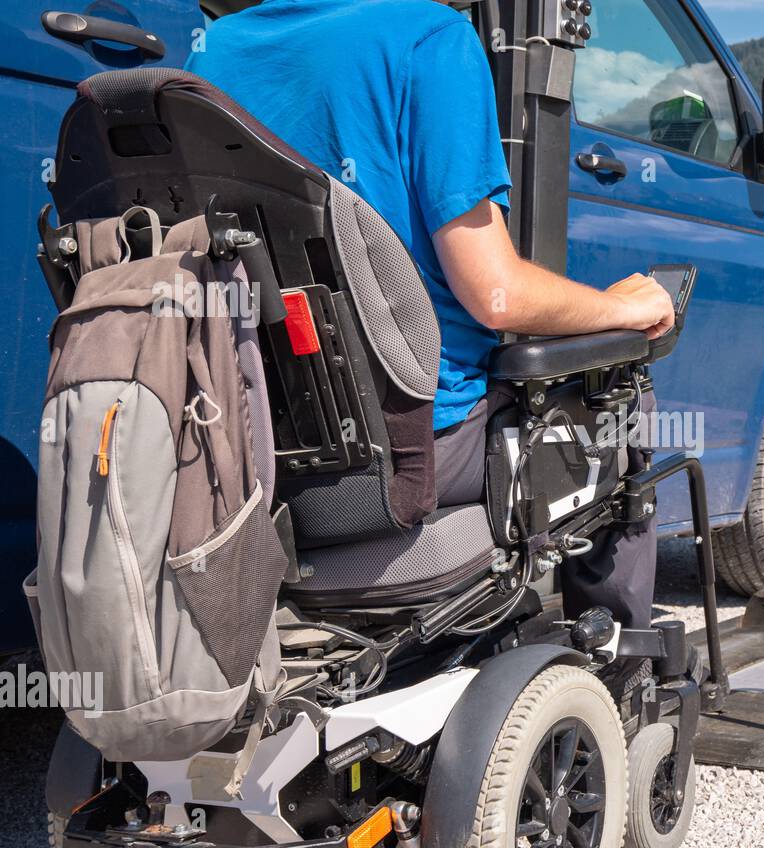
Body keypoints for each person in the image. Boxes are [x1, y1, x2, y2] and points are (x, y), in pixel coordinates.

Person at [187, 0, 672, 628]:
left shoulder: (216, 49)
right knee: (622, 396)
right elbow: (494, 295)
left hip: (257, 444)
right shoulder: (432, 38)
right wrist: (621, 309)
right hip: (415, 444)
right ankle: (617, 663)